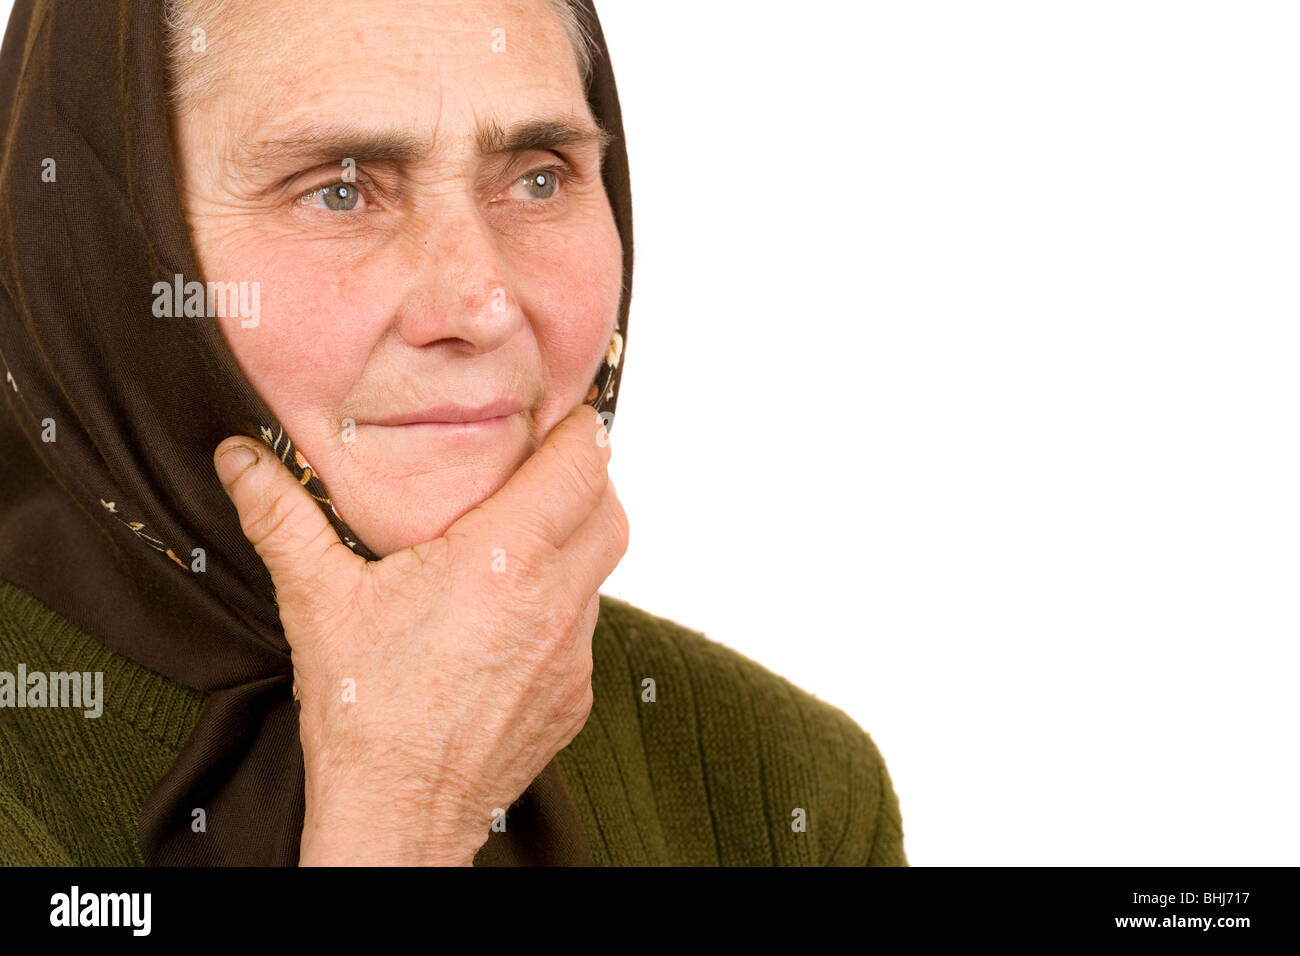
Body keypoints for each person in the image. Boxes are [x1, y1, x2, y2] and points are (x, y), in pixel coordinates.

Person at [0, 0, 907, 865]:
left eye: (539, 178)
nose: (481, 303)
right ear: (103, 238)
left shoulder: (788, 784)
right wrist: (402, 816)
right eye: (340, 191)